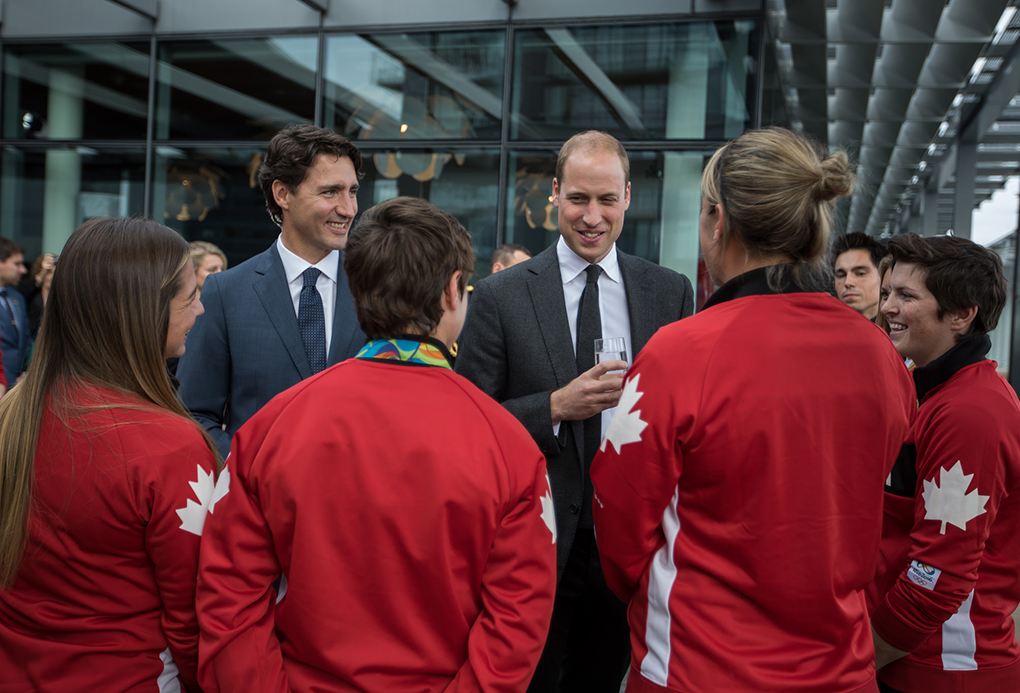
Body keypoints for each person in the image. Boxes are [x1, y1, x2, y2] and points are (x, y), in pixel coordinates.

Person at [590, 127, 916, 693]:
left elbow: (620, 527)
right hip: (839, 667)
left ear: (719, 221)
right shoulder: (881, 355)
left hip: (697, 667)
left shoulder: (681, 350)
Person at [197, 197, 557, 692]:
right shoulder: (507, 443)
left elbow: (229, 600)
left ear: (354, 288)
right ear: (454, 291)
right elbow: (519, 618)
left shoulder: (270, 427)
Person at [456, 130, 695, 693]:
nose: (592, 217)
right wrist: (555, 407)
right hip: (531, 541)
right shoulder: (500, 296)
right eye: (579, 199)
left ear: (628, 198)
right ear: (556, 195)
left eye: (606, 200)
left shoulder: (669, 292)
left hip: (631, 541)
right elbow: (472, 425)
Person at [0, 217, 221, 692]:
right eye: (190, 297)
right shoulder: (171, 446)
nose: (200, 310)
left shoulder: (11, 415)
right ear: (144, 312)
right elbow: (192, 617)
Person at [869, 234, 1020, 693]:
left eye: (907, 296)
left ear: (962, 314)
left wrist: (862, 660)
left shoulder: (970, 413)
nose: (887, 307)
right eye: (887, 293)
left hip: (943, 670)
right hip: (923, 662)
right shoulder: (928, 390)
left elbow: (937, 578)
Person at [177, 125, 368, 458]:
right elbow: (194, 414)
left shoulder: (376, 286)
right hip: (256, 502)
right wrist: (248, 476)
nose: (348, 209)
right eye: (330, 192)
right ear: (283, 194)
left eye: (352, 191)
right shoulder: (226, 293)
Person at [833, 231, 885, 319]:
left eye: (860, 273)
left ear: (884, 279)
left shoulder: (902, 331)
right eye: (841, 275)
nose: (848, 282)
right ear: (834, 285)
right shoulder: (822, 330)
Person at [0, 238, 29, 386]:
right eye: (16, 264)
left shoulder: (17, 298)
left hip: (16, 389)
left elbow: (24, 341)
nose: (23, 270)